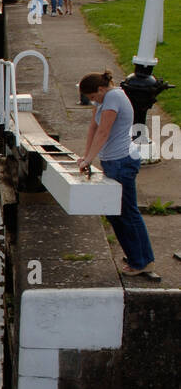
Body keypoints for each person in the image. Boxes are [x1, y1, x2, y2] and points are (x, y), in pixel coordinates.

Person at [77, 71, 155, 277]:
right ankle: (137, 255)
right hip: (114, 162)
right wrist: (85, 156)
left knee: (125, 213)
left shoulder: (113, 98)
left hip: (122, 162)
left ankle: (141, 261)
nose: (93, 101)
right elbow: (93, 128)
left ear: (101, 89)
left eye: (93, 97)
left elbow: (104, 131)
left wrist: (89, 160)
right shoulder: (103, 100)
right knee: (115, 212)